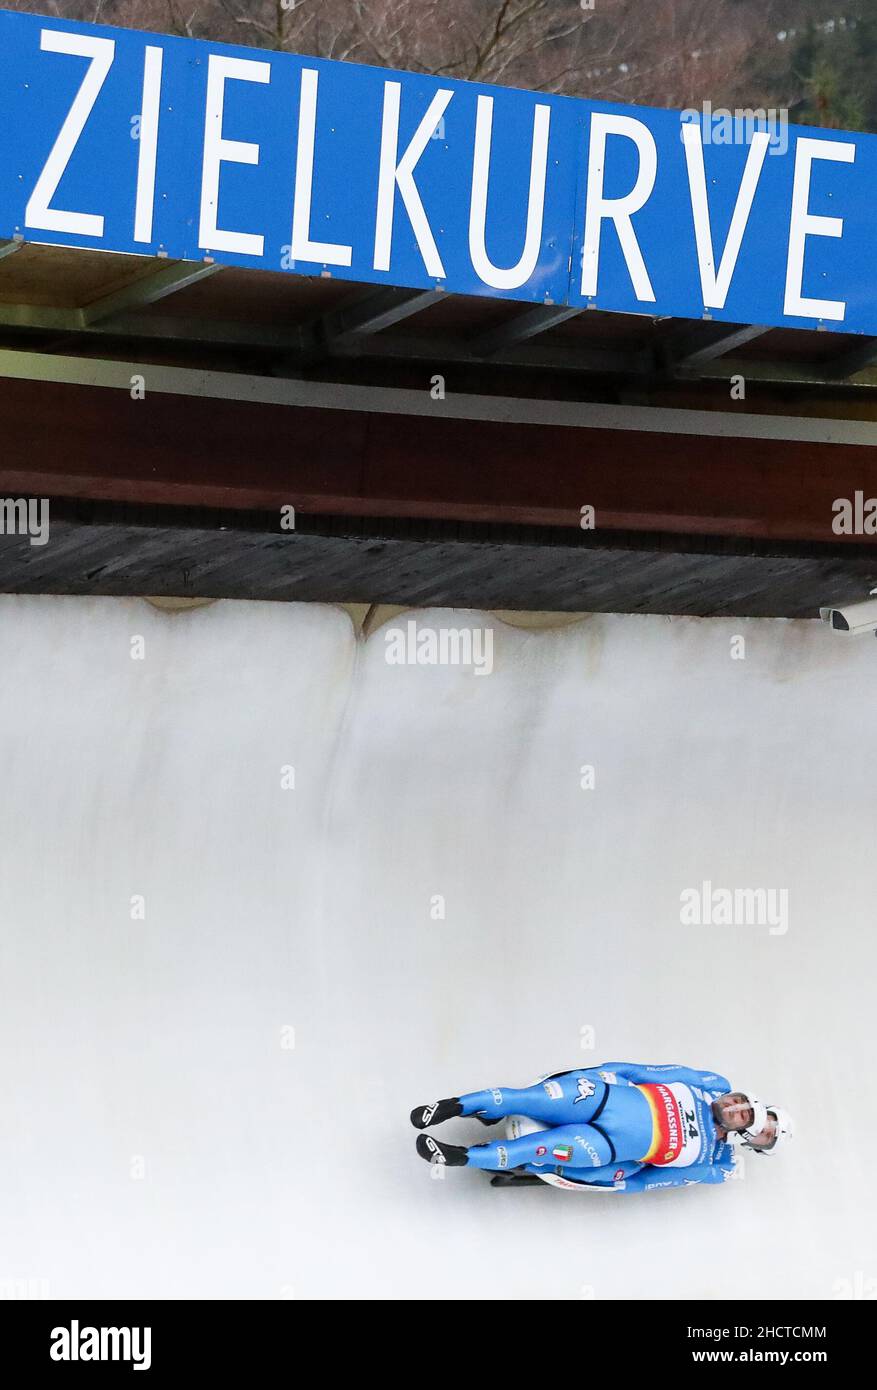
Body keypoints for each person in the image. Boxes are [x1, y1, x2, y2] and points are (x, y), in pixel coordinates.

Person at [411, 1062, 793, 1191]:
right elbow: (639, 1070)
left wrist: (607, 1180)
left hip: (604, 1144)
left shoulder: (716, 1162)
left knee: (534, 1150)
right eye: (740, 1099)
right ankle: (449, 1107)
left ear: (748, 1136)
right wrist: (595, 1072)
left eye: (744, 1114)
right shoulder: (710, 1083)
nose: (734, 1105)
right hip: (602, 1096)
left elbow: (646, 1181)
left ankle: (458, 1157)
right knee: (522, 1097)